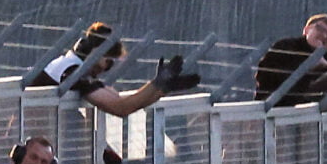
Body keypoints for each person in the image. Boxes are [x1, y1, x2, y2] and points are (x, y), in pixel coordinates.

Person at [30, 22, 200, 116]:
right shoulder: (74, 73)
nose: (107, 69)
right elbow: (121, 108)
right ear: (97, 52)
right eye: (109, 62)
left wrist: (161, 89)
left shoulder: (71, 66)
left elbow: (119, 100)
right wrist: (157, 84)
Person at [252, 13, 327, 103]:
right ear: (306, 30)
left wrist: (326, 67)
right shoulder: (285, 46)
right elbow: (265, 76)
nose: (324, 36)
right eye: (320, 29)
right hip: (272, 108)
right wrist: (309, 64)